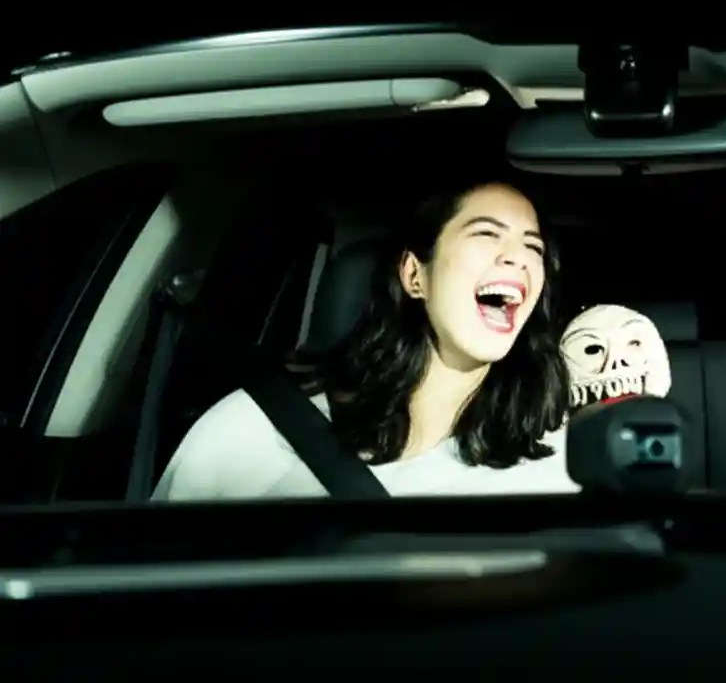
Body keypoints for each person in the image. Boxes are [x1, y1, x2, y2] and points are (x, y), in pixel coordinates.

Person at [152, 181, 576, 500]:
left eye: (532, 247)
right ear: (414, 275)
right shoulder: (251, 433)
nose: (518, 257)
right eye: (486, 233)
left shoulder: (561, 461)